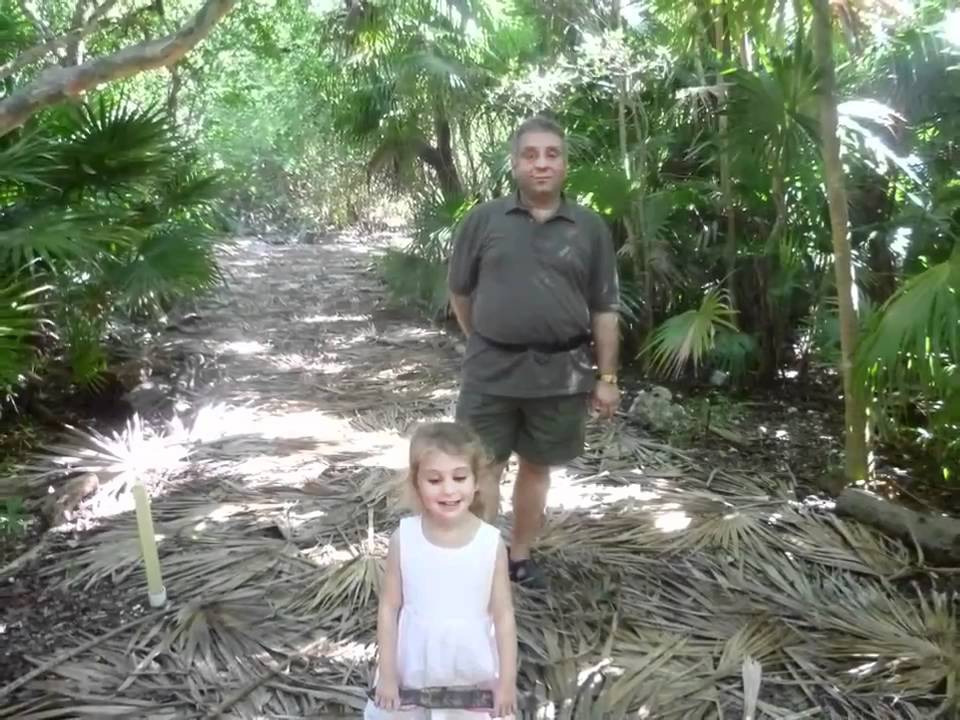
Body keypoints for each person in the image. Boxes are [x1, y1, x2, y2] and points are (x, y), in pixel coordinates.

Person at [447, 115, 621, 590]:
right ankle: (478, 557)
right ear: (515, 163)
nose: (541, 164)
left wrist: (606, 378)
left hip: (562, 374)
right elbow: (461, 292)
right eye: (530, 155)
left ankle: (519, 556)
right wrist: (485, 337)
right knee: (481, 468)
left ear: (565, 163)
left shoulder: (589, 227)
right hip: (491, 371)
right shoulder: (483, 221)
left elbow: (604, 306)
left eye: (551, 154)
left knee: (537, 468)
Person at [365, 422, 518, 720]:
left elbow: (503, 615)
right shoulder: (404, 538)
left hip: (470, 670)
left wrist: (507, 682)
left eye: (459, 477)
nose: (449, 489)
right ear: (417, 483)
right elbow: (389, 607)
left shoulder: (490, 543)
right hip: (413, 666)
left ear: (476, 482)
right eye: (434, 480)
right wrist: (387, 674)